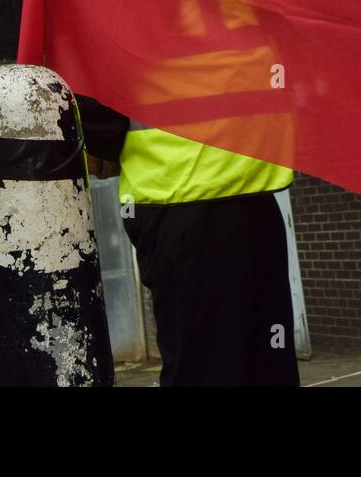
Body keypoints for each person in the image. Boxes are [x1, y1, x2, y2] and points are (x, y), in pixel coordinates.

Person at [78, 97, 299, 386]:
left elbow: (98, 116)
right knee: (266, 362)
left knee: (203, 367)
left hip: (179, 193)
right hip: (251, 190)